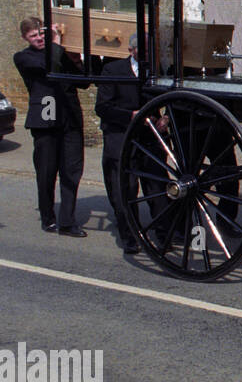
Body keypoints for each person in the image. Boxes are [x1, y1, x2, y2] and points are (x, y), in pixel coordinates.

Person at [13, 16, 89, 236]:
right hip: (45, 120)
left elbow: (83, 82)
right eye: (33, 36)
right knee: (46, 172)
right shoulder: (23, 57)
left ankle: (67, 221)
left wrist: (75, 58)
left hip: (69, 120)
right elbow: (49, 67)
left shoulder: (58, 53)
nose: (39, 39)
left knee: (71, 171)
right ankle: (48, 217)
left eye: (41, 34)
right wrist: (56, 43)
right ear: (25, 38)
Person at [95, 34, 144, 254]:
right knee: (125, 188)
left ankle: (164, 235)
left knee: (157, 188)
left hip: (147, 137)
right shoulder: (112, 70)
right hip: (119, 135)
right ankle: (129, 237)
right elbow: (102, 108)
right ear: (131, 50)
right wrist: (129, 116)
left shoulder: (156, 71)